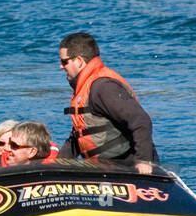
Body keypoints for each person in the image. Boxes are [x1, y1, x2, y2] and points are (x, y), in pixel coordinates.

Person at [57, 32, 158, 174]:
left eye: (64, 61)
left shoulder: (104, 87)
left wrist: (143, 161)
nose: (61, 67)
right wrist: (57, 166)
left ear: (79, 61)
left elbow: (141, 120)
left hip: (129, 169)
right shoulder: (86, 88)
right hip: (105, 169)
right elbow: (78, 136)